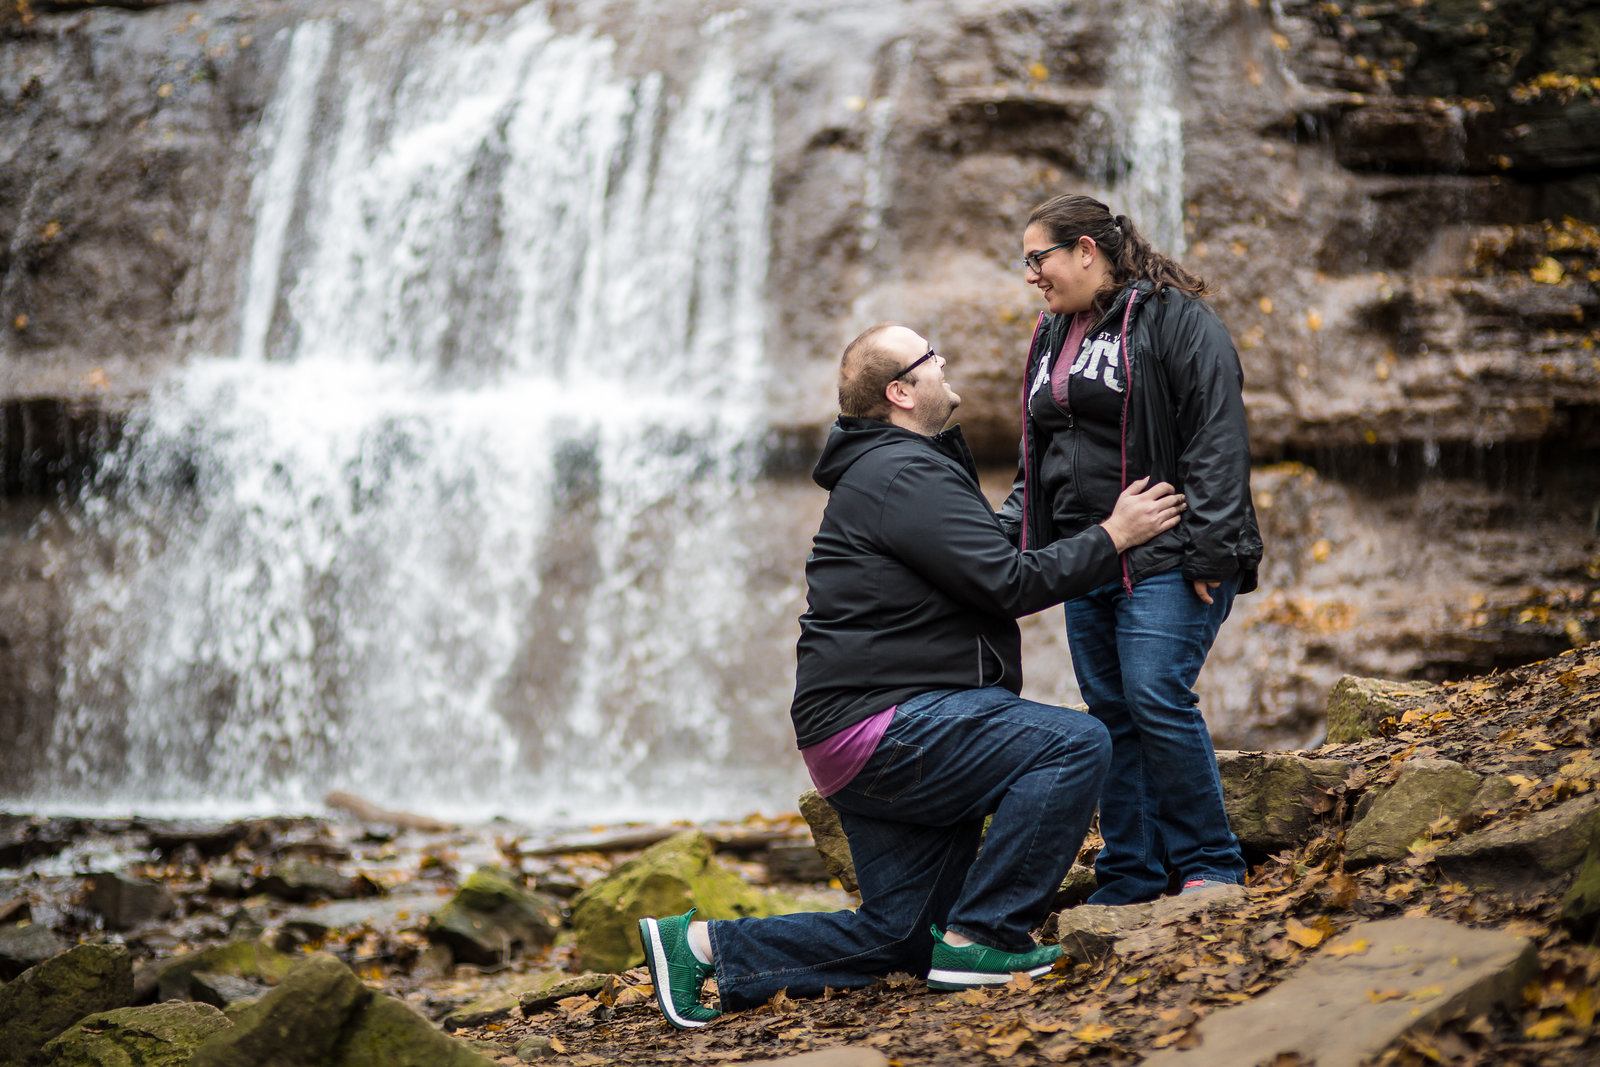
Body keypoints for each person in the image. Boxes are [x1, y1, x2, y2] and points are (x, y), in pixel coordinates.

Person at [638, 323, 1187, 1028]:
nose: (946, 357)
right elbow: (1004, 581)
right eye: (932, 355)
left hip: (853, 737)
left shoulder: (899, 470)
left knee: (902, 934)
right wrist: (1115, 534)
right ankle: (986, 936)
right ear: (900, 391)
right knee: (1074, 743)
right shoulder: (901, 471)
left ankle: (700, 944)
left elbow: (987, 548)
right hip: (887, 725)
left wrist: (1047, 467)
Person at [999, 193, 1263, 906]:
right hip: (1091, 556)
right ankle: (1133, 872)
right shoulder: (1051, 335)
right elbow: (1037, 457)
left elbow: (1218, 434)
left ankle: (1212, 861)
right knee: (1112, 711)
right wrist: (1005, 546)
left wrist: (1213, 549)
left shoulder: (1175, 318)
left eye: (1038, 258)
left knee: (1154, 693)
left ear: (1086, 249)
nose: (1031, 275)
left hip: (1170, 553)